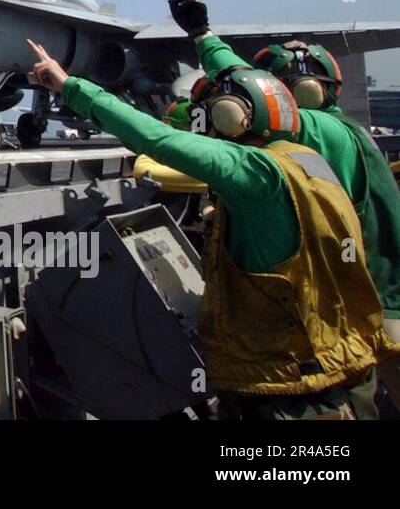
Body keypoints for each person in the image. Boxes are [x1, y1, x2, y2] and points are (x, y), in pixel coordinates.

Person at [28, 37, 388, 419]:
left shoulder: (254, 171)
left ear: (231, 116)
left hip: (293, 390)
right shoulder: (306, 159)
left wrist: (70, 86)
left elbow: (158, 140)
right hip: (342, 365)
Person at [169, 0, 400, 390]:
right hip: (380, 290)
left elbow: (242, 95)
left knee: (353, 393)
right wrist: (202, 34)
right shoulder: (342, 128)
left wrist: (191, 105)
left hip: (370, 302)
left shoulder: (312, 131)